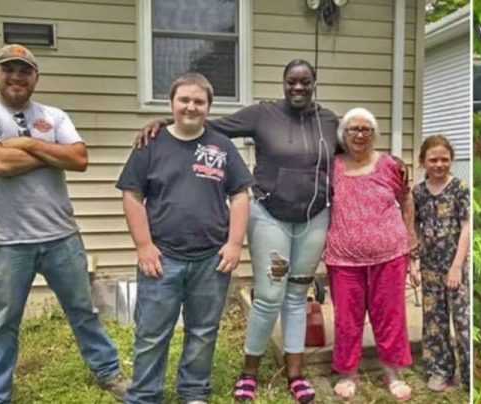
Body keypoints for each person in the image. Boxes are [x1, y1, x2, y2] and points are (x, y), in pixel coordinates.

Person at [137, 59, 338, 403]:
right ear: (284, 83)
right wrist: (167, 123)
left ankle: (295, 373)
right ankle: (249, 372)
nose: (298, 88)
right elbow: (210, 124)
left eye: (305, 82)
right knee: (270, 295)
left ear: (315, 82)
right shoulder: (262, 115)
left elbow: (352, 150)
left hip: (314, 218)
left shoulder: (330, 121)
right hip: (270, 215)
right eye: (292, 82)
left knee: (296, 297)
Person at [0, 44, 128, 401]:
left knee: (83, 311)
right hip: (4, 239)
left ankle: (109, 373)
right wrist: (51, 155)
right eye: (9, 69)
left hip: (61, 235)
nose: (17, 76)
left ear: (35, 78)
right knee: (3, 323)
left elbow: (79, 158)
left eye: (25, 70)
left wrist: (26, 143)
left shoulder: (54, 115)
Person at [117, 72, 253, 403]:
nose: (191, 107)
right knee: (151, 334)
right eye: (184, 100)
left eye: (199, 101)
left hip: (211, 260)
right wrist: (144, 246)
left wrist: (235, 244)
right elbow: (132, 196)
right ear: (171, 103)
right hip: (162, 259)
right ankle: (146, 395)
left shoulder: (221, 146)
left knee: (203, 332)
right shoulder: (151, 144)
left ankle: (194, 391)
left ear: (209, 106)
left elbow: (240, 195)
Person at [324, 107, 418, 401]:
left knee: (390, 315)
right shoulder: (332, 167)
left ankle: (392, 371)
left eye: (366, 129)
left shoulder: (391, 165)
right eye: (353, 129)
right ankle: (347, 373)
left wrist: (411, 238)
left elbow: (406, 198)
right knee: (347, 318)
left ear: (375, 134)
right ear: (343, 134)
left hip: (389, 255)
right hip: (343, 258)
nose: (360, 135)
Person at [411, 135, 470, 392]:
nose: (439, 164)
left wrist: (457, 265)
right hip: (429, 267)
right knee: (434, 321)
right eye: (433, 159)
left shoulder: (461, 188)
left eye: (444, 159)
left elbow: (468, 226)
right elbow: (413, 225)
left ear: (451, 161)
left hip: (456, 264)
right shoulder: (418, 192)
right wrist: (413, 262)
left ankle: (470, 377)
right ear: (423, 161)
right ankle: (439, 370)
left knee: (463, 320)